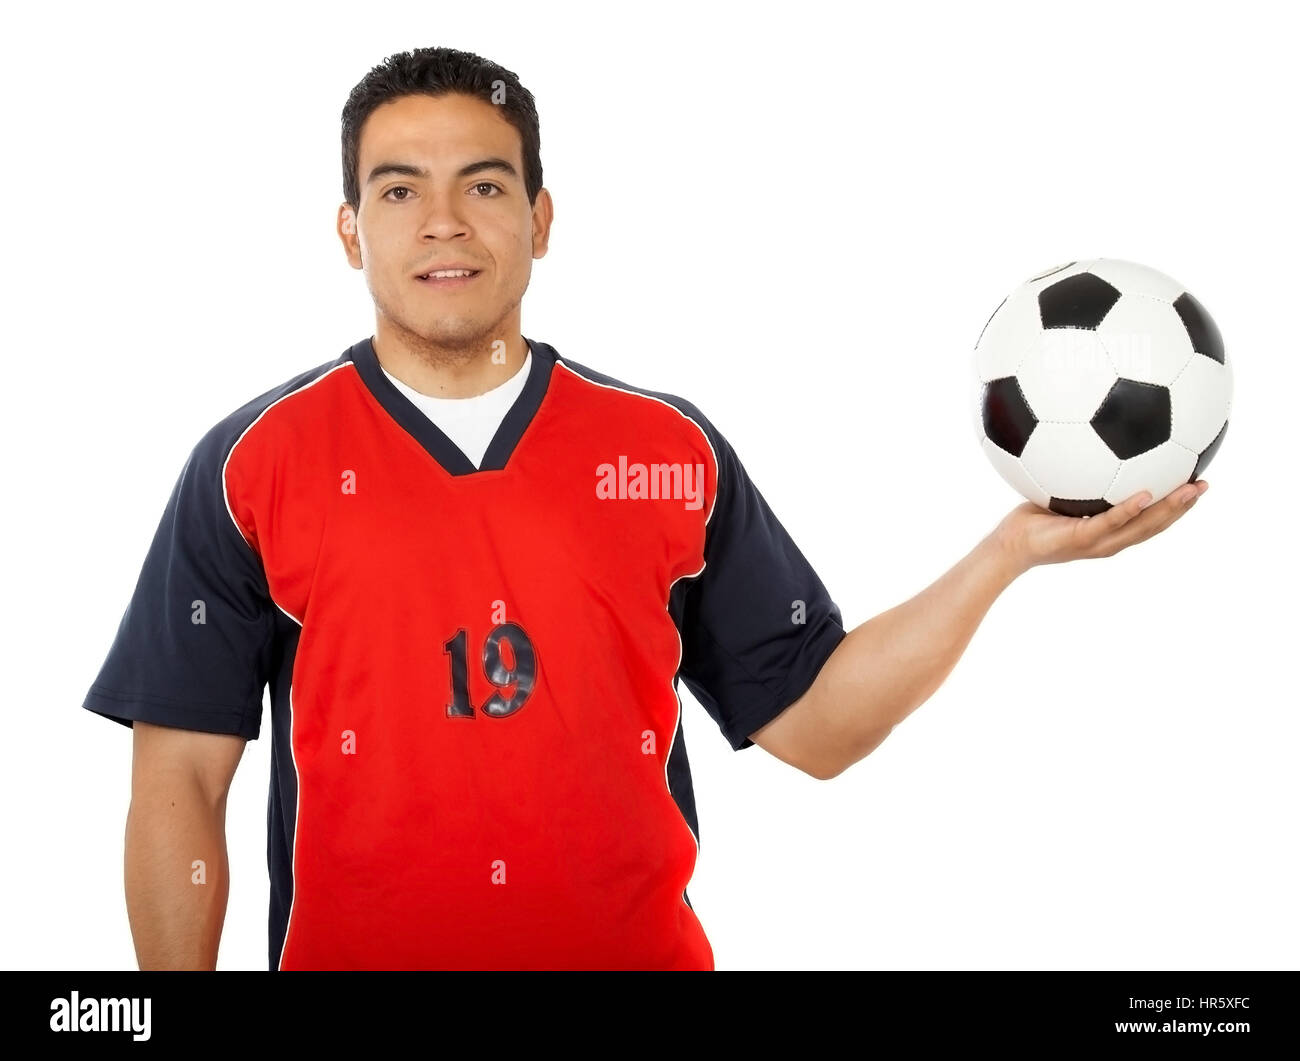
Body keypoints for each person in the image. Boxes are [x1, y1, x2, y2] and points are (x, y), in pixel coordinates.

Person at [82, 46, 1208, 972]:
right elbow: (179, 771)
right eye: (397, 190)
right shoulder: (253, 462)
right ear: (348, 230)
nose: (442, 222)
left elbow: (816, 727)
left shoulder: (665, 451)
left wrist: (1004, 553)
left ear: (540, 216)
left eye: (482, 184)